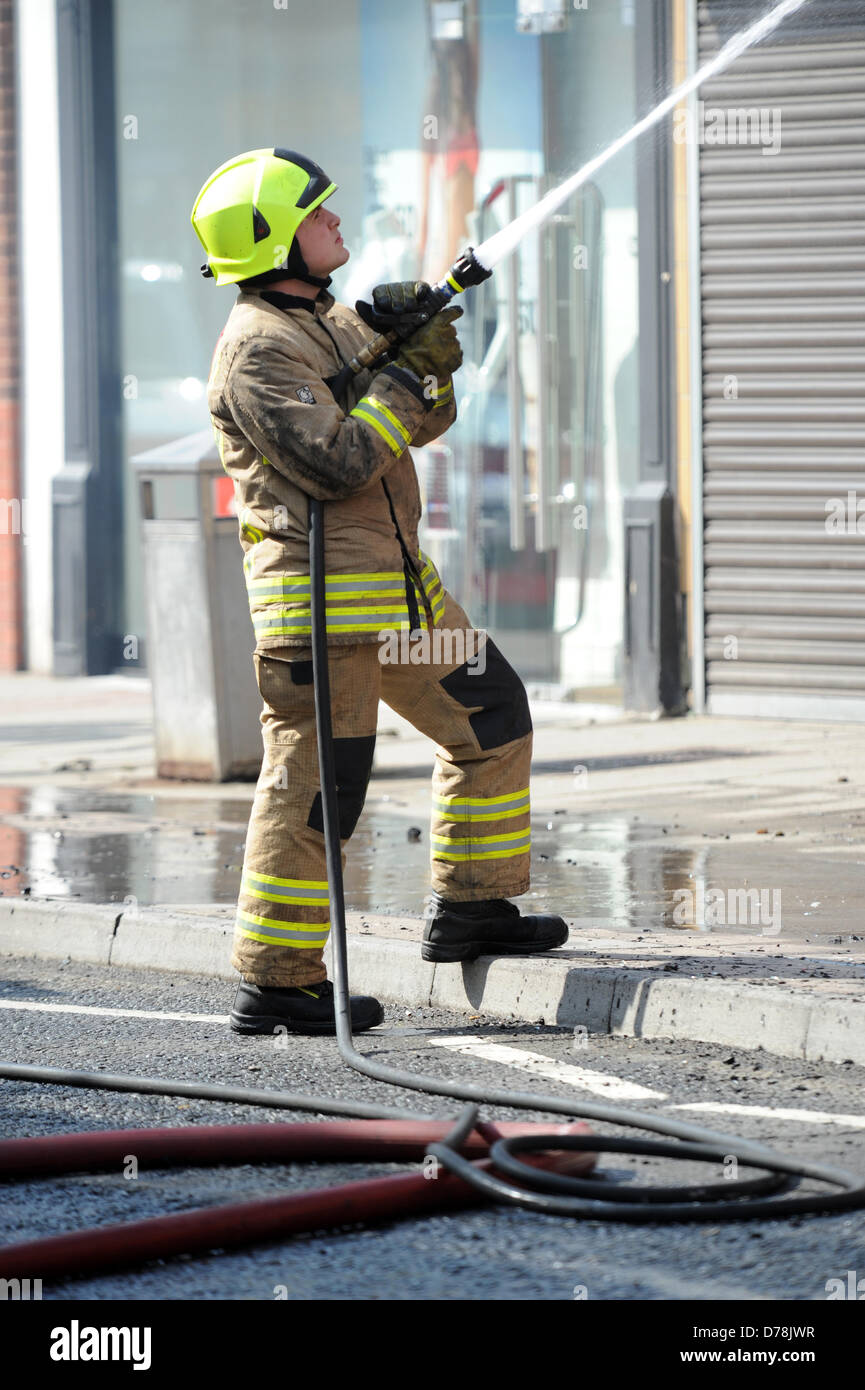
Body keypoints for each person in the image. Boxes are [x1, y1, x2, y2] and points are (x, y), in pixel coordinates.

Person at [190, 147, 568, 1037]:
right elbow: (340, 459)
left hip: (397, 598)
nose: (337, 224)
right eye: (318, 217)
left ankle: (472, 907)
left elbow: (421, 422)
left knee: (492, 717)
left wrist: (423, 353)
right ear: (276, 241)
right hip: (323, 614)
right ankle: (278, 982)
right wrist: (399, 377)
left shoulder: (327, 321)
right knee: (321, 789)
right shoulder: (255, 352)